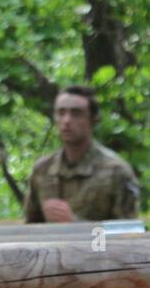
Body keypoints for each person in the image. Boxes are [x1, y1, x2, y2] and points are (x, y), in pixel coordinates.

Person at [23, 85, 142, 223]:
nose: (66, 121)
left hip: (98, 245)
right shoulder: (42, 170)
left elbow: (127, 234)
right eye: (61, 113)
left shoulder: (116, 172)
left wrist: (75, 223)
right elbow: (31, 228)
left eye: (76, 113)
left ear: (93, 119)